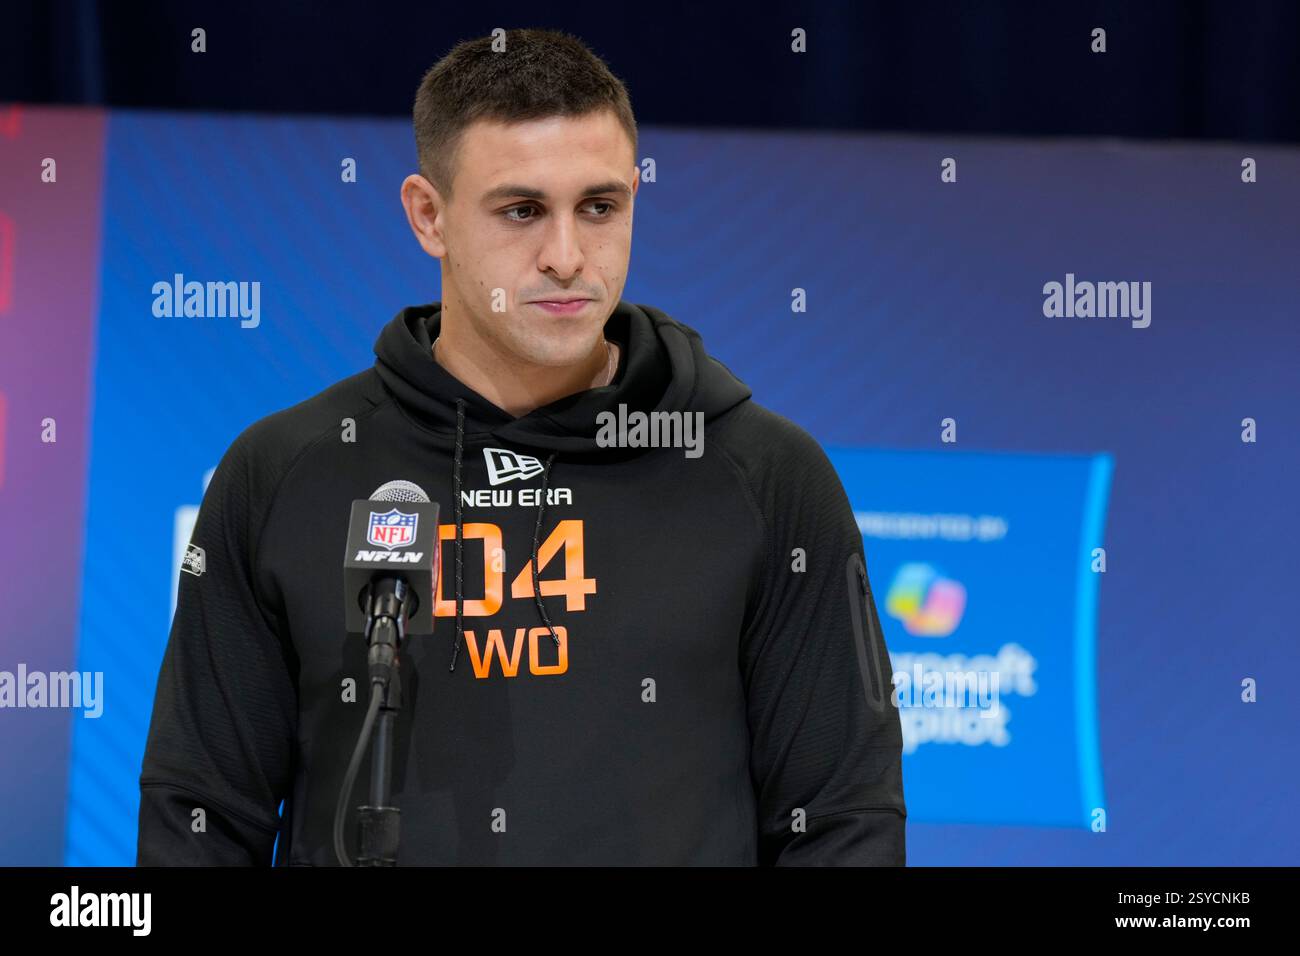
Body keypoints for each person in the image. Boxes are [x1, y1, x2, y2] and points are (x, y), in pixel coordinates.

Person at [137, 27, 905, 866]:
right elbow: (200, 819)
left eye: (600, 207)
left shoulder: (765, 476)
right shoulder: (285, 474)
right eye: (522, 210)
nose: (568, 257)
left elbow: (843, 822)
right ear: (428, 216)